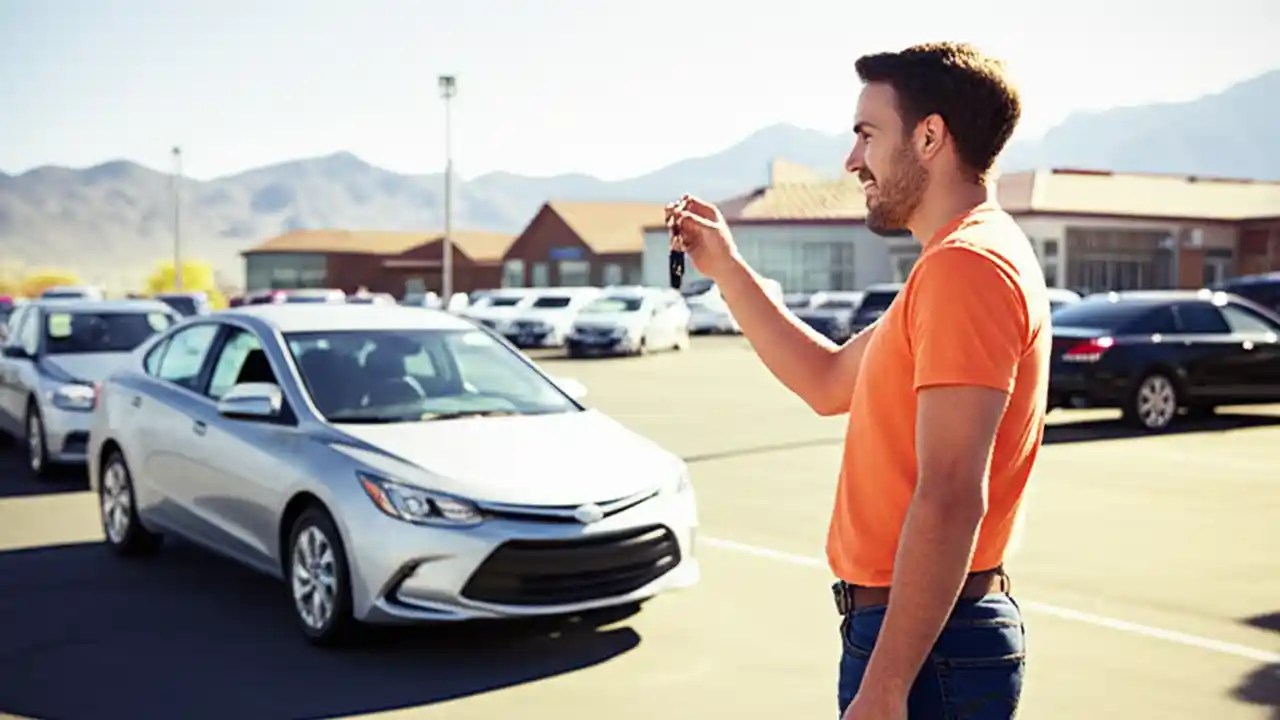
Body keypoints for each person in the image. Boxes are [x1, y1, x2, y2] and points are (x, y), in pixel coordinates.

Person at [667, 41, 1049, 719]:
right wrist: (725, 266)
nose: (851, 161)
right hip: (925, 640)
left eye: (867, 135)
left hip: (927, 651)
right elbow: (828, 380)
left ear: (930, 136)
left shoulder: (968, 267)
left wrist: (886, 684)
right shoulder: (956, 262)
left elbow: (953, 492)